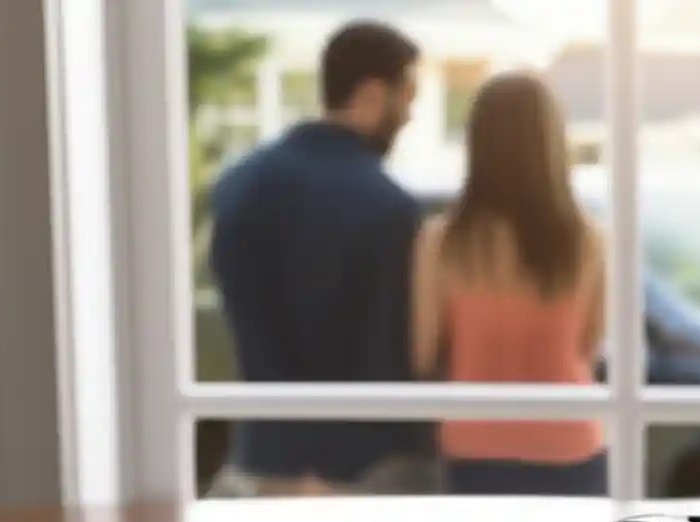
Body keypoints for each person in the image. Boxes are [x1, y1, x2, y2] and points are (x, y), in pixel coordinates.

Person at [208, 23, 436, 497]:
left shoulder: (238, 187)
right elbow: (386, 352)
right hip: (358, 470)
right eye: (408, 95)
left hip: (261, 455)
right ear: (374, 93)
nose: (410, 115)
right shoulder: (387, 208)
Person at [412, 72, 608, 495]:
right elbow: (589, 344)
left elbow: (424, 351)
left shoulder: (442, 241)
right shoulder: (589, 239)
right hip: (571, 437)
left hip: (475, 441)